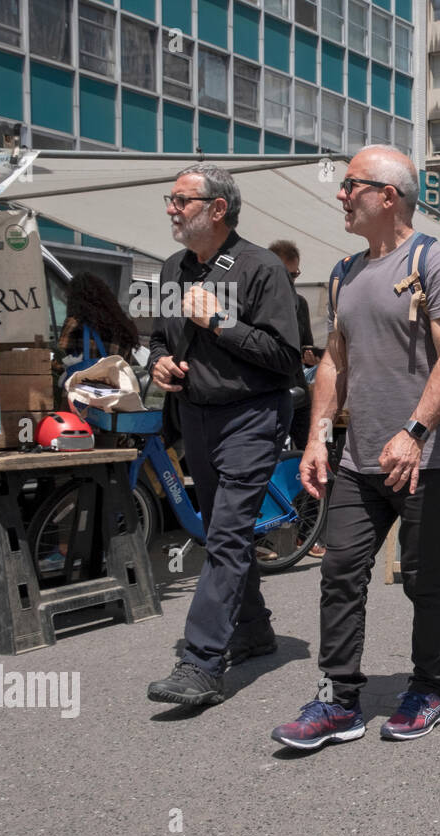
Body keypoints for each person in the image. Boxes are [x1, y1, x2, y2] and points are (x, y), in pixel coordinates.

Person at [269, 145, 440, 749]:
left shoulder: (436, 262)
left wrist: (414, 434)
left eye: (350, 185)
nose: (340, 195)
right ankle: (340, 698)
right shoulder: (343, 273)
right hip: (359, 459)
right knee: (338, 569)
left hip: (428, 458)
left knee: (422, 575)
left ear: (388, 196)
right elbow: (335, 359)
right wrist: (316, 438)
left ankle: (431, 686)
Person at [145, 163, 301, 706]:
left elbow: (285, 358)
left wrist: (221, 323)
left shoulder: (262, 269)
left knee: (229, 535)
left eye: (181, 200)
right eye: (170, 199)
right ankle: (253, 630)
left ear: (217, 208)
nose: (171, 208)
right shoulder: (172, 269)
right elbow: (160, 340)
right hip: (196, 416)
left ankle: (200, 663)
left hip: (251, 417)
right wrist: (159, 364)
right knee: (219, 532)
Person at [268, 239, 318, 451]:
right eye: (286, 275)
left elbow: (307, 344)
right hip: (268, 393)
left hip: (297, 390)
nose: (291, 281)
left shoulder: (300, 303)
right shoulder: (254, 302)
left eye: (295, 275)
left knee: (309, 448)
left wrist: (311, 357)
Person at [54, 272, 141, 384]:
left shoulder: (75, 323)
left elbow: (60, 359)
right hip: (113, 398)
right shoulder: (124, 329)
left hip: (80, 395)